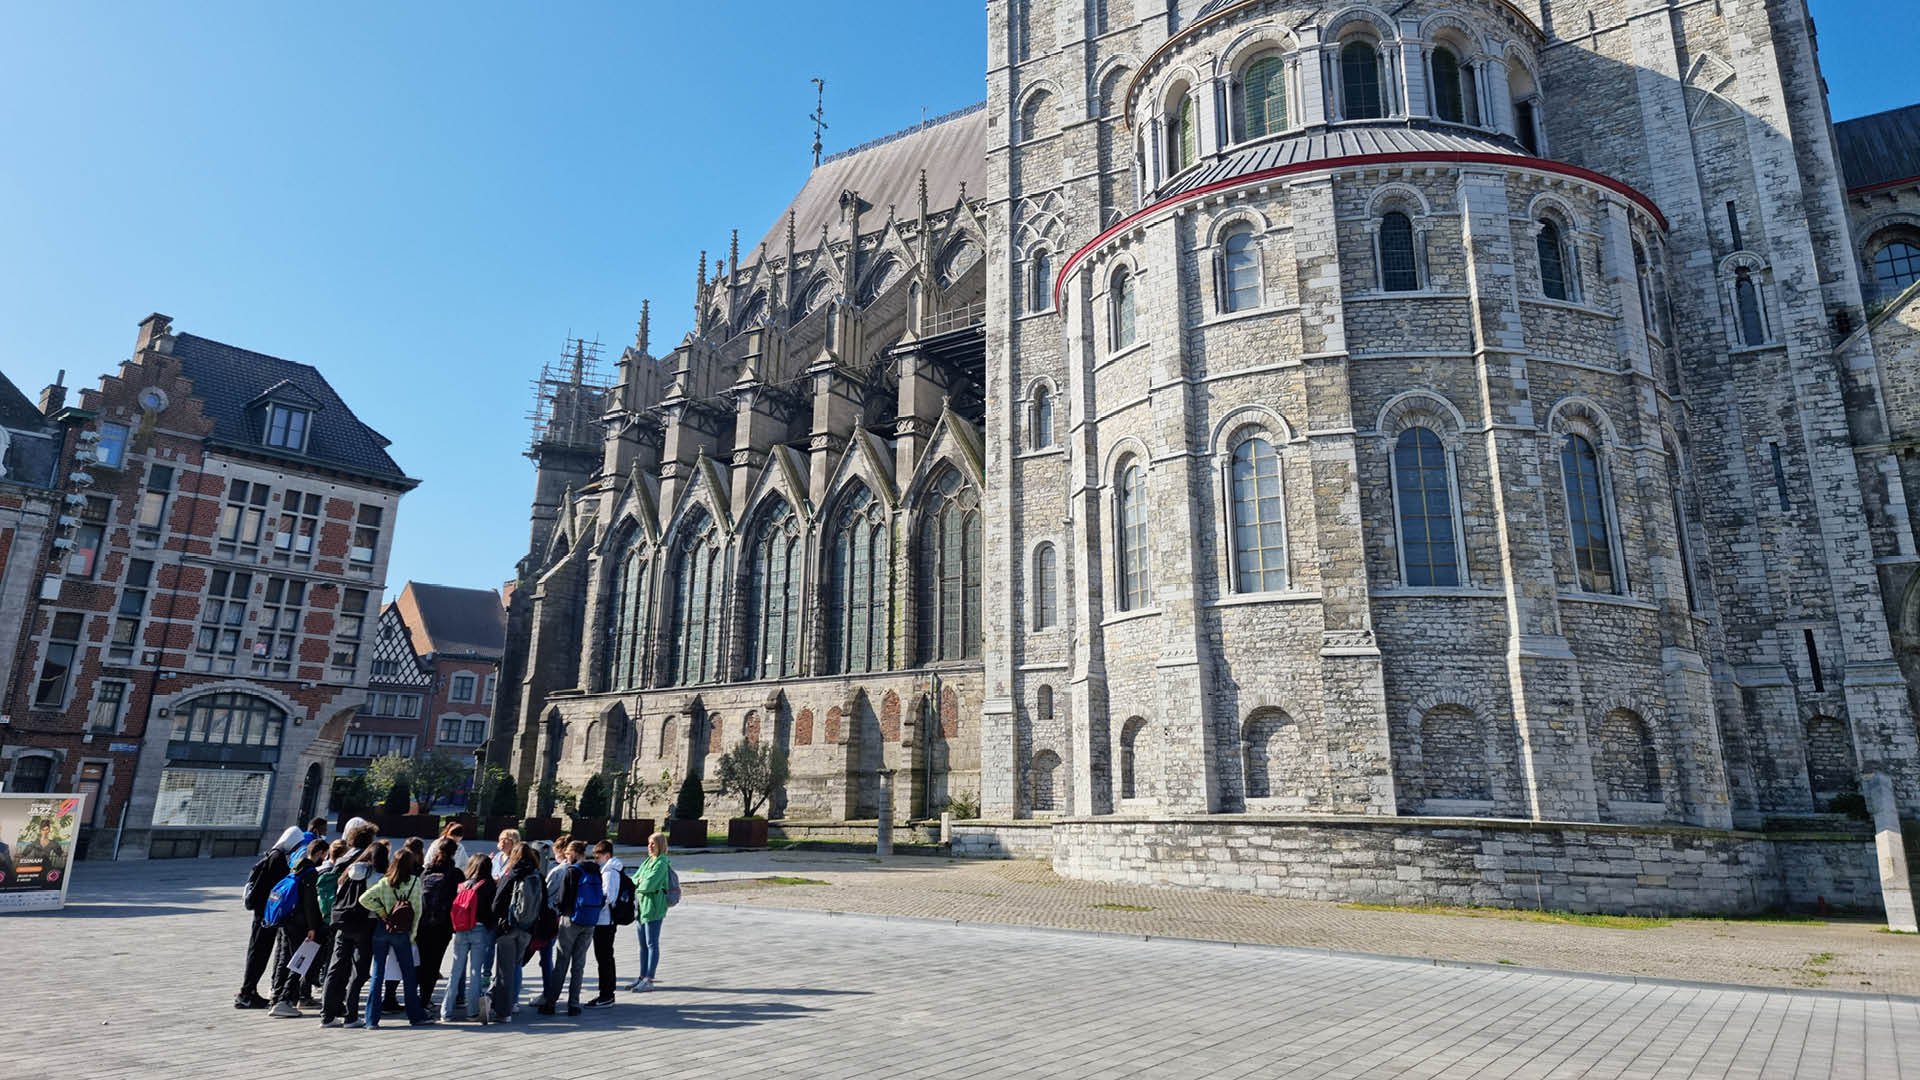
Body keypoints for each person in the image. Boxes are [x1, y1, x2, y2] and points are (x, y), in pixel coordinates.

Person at [359, 847, 433, 1028]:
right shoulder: (415, 882)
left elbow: (364, 898)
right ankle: (415, 1016)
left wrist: (382, 912)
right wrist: (413, 935)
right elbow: (417, 911)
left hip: (382, 929)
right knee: (408, 975)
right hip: (402, 932)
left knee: (377, 974)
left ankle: (371, 1019)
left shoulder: (384, 882)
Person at [236, 825, 304, 1010]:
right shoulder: (278, 858)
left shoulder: (274, 854)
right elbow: (276, 888)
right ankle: (246, 993)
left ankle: (249, 992)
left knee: (259, 952)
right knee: (259, 952)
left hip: (263, 912)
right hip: (265, 914)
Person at [320, 823, 379, 1027]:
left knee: (336, 966)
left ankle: (327, 1014)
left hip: (342, 921)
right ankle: (351, 1015)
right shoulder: (372, 871)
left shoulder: (346, 867)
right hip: (364, 923)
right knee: (359, 970)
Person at [536, 841, 602, 1016]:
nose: (566, 856)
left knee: (561, 962)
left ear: (574, 853)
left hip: (570, 919)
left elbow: (562, 898)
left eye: (568, 853)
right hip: (590, 921)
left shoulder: (572, 871)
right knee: (579, 964)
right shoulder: (595, 869)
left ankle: (551, 1003)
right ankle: (574, 1004)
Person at [267, 839, 328, 1018]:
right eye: (324, 854)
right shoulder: (310, 873)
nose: (324, 858)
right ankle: (285, 1000)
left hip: (287, 921)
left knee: (284, 959)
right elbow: (310, 903)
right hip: (301, 924)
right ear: (319, 853)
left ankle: (277, 995)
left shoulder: (295, 868)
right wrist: (312, 927)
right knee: (300, 961)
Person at [487, 843, 543, 1023]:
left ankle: (503, 1011)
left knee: (504, 971)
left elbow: (497, 903)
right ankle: (503, 1001)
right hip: (527, 929)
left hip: (508, 928)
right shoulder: (538, 876)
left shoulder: (511, 874)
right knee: (515, 967)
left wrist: (497, 922)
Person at [442, 854, 496, 1023]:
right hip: (479, 929)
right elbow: (491, 910)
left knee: (455, 971)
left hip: (461, 930)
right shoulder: (488, 885)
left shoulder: (463, 885)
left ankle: (446, 1011)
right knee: (475, 972)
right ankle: (472, 1012)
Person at [415, 838, 462, 1011]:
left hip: (422, 923)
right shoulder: (456, 874)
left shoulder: (426, 871)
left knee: (420, 960)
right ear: (454, 853)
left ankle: (413, 996)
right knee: (434, 963)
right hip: (443, 925)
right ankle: (425, 999)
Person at [534, 836, 574, 1012]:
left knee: (546, 957)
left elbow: (546, 894)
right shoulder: (574, 869)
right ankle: (553, 992)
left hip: (550, 917)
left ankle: (548, 992)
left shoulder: (558, 871)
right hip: (567, 916)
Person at [629, 832, 672, 992]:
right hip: (640, 908)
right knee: (642, 945)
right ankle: (642, 976)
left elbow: (648, 885)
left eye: (653, 843)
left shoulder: (661, 863)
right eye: (649, 843)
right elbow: (634, 879)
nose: (650, 846)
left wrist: (640, 882)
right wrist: (639, 881)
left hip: (653, 908)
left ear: (660, 845)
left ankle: (649, 978)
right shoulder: (648, 861)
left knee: (652, 943)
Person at [587, 840, 622, 1007]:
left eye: (598, 856)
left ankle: (606, 994)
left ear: (607, 855)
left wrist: (593, 905)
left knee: (604, 958)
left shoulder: (609, 872)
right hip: (605, 920)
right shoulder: (609, 870)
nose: (595, 860)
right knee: (605, 957)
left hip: (605, 921)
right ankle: (607, 992)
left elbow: (608, 896)